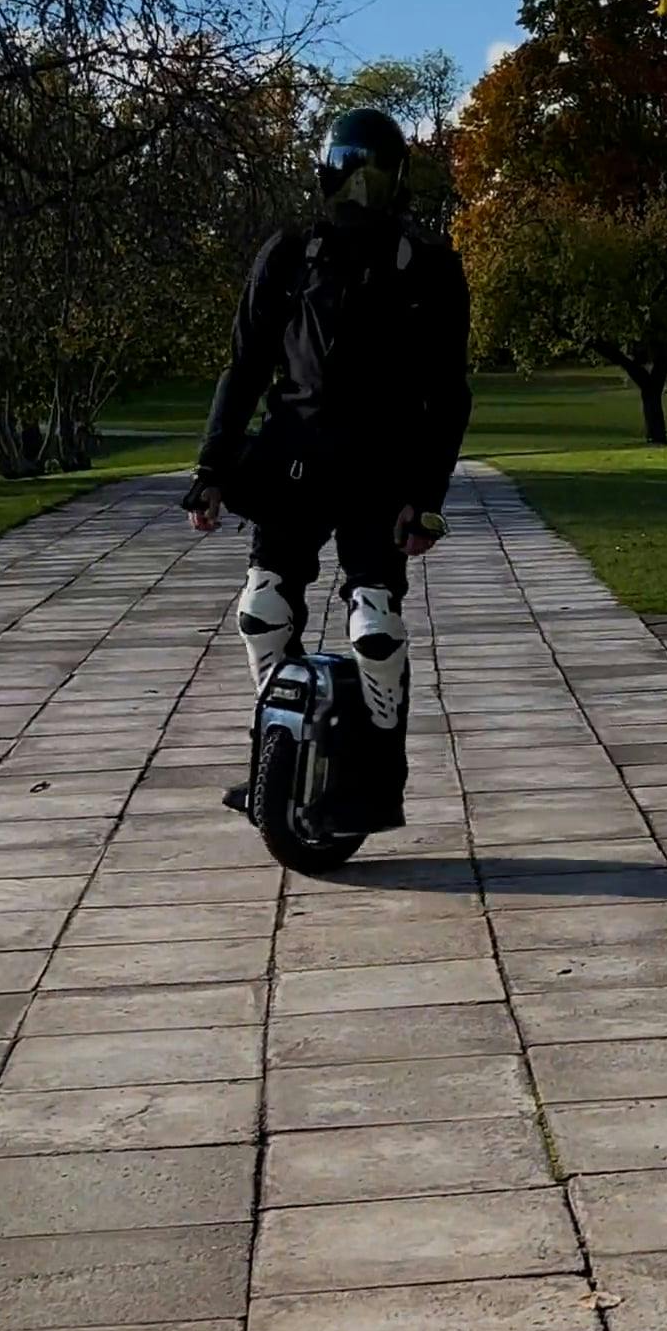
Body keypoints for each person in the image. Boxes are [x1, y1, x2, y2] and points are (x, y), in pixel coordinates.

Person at [186, 106, 474, 809]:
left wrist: (427, 495)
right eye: (353, 170)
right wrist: (212, 470)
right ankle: (274, 768)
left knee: (366, 621)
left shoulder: (425, 266)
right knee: (268, 612)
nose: (359, 188)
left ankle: (376, 782)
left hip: (366, 469)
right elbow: (246, 365)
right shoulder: (293, 254)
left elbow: (447, 395)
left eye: (371, 173)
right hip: (305, 463)